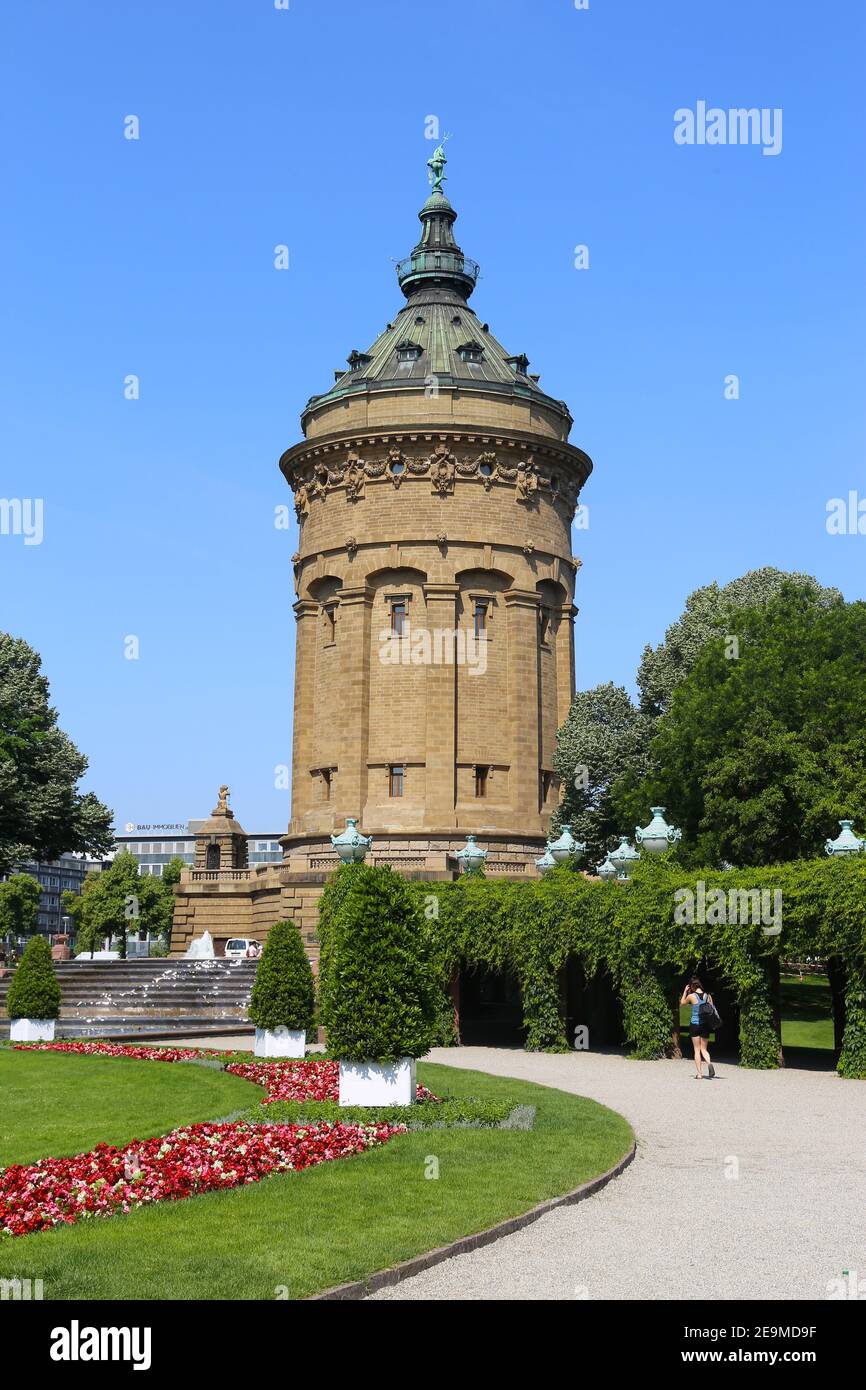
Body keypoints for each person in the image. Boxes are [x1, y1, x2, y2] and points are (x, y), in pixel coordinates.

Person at [681, 975, 716, 1080]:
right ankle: (709, 1063)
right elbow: (712, 1009)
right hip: (705, 1025)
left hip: (695, 1025)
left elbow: (682, 1003)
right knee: (704, 1049)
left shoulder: (691, 996)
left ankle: (699, 1074)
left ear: (691, 986)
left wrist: (685, 992)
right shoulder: (708, 996)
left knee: (697, 1050)